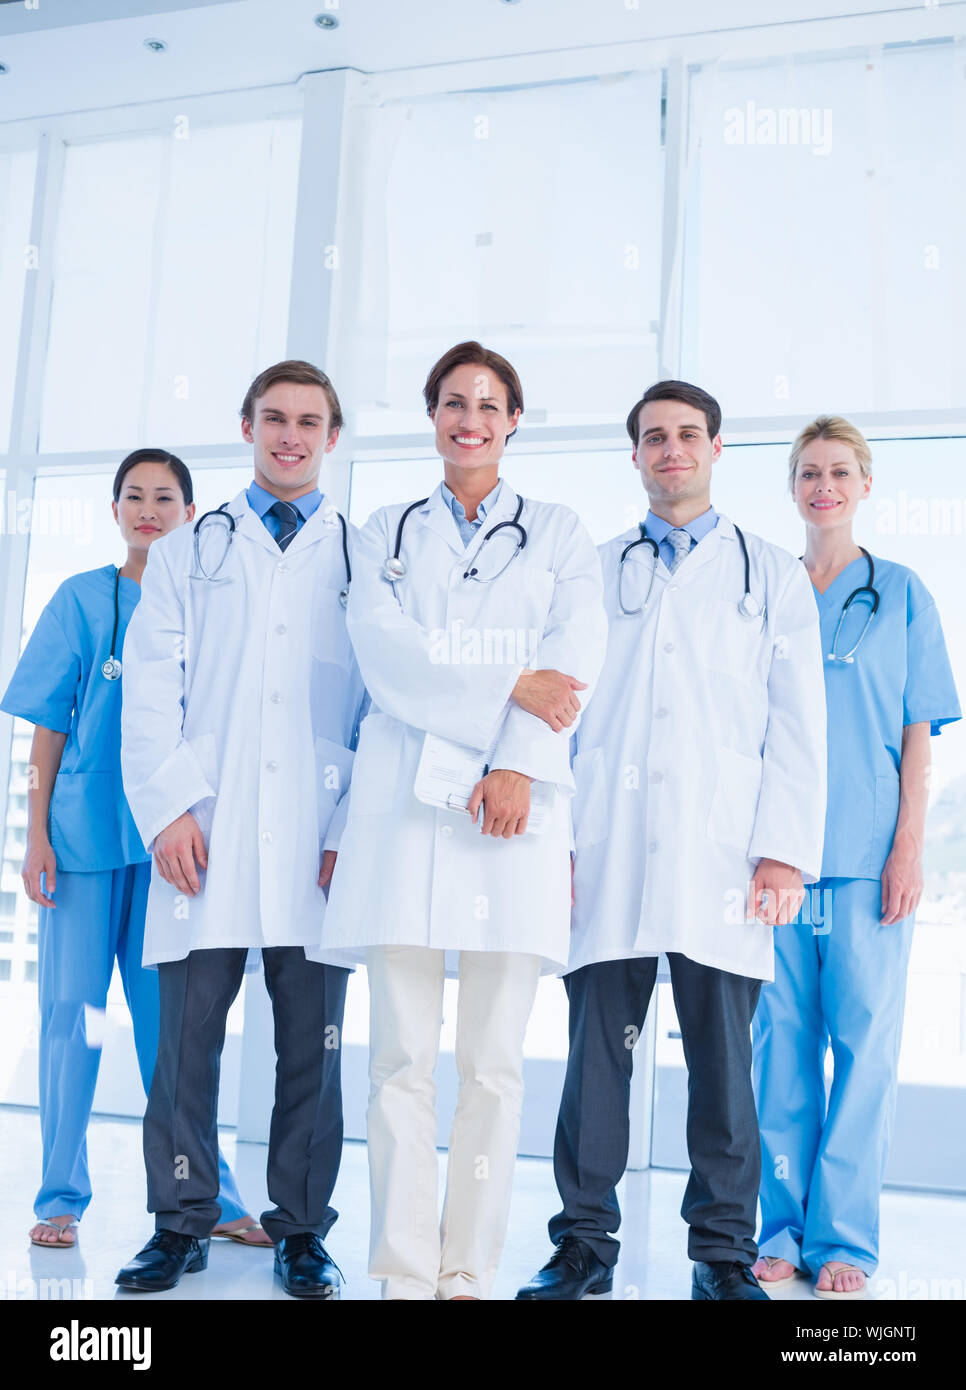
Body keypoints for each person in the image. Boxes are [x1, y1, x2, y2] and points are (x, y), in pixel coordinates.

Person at [518, 379, 828, 1302]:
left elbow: (798, 726)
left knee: (724, 1071)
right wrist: (553, 839)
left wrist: (782, 851)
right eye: (654, 437)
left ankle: (723, 1253)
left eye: (688, 434)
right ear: (637, 456)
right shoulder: (593, 570)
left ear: (717, 448)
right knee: (595, 1062)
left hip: (724, 857)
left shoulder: (768, 573)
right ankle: (583, 1244)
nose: (671, 450)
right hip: (606, 849)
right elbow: (560, 714)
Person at [318, 341, 607, 1300]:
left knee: (491, 1065)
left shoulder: (560, 531)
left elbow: (570, 667)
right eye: (451, 402)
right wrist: (508, 683)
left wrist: (519, 763)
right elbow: (384, 652)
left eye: (488, 403)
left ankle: (465, 1268)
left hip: (514, 819)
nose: (469, 418)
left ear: (514, 418)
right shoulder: (384, 530)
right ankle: (404, 1270)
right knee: (400, 1060)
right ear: (432, 415)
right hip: (404, 813)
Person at [114, 362, 366, 1298]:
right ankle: (181, 1223)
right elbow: (150, 688)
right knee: (186, 1048)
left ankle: (301, 1231)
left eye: (309, 422)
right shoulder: (189, 548)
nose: (290, 436)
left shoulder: (361, 553)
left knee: (314, 1046)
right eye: (274, 419)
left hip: (317, 839)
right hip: (203, 833)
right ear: (248, 426)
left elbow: (379, 704)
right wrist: (171, 807)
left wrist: (349, 825)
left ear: (332, 436)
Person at [0, 450, 266, 1251]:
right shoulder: (83, 598)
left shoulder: (214, 606)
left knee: (174, 1037)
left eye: (165, 497)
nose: (148, 509)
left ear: (190, 511)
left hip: (173, 852)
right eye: (134, 496)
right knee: (71, 1024)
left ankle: (209, 1195)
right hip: (82, 842)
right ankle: (59, 1197)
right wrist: (36, 831)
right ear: (115, 507)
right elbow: (49, 722)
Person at [751, 417, 960, 1299]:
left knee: (864, 1048)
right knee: (780, 1050)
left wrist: (908, 847)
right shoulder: (766, 588)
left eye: (839, 472)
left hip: (867, 860)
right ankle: (781, 1231)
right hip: (778, 861)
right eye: (808, 472)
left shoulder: (902, 593)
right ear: (792, 487)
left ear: (866, 484)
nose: (823, 486)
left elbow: (919, 738)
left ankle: (845, 1242)